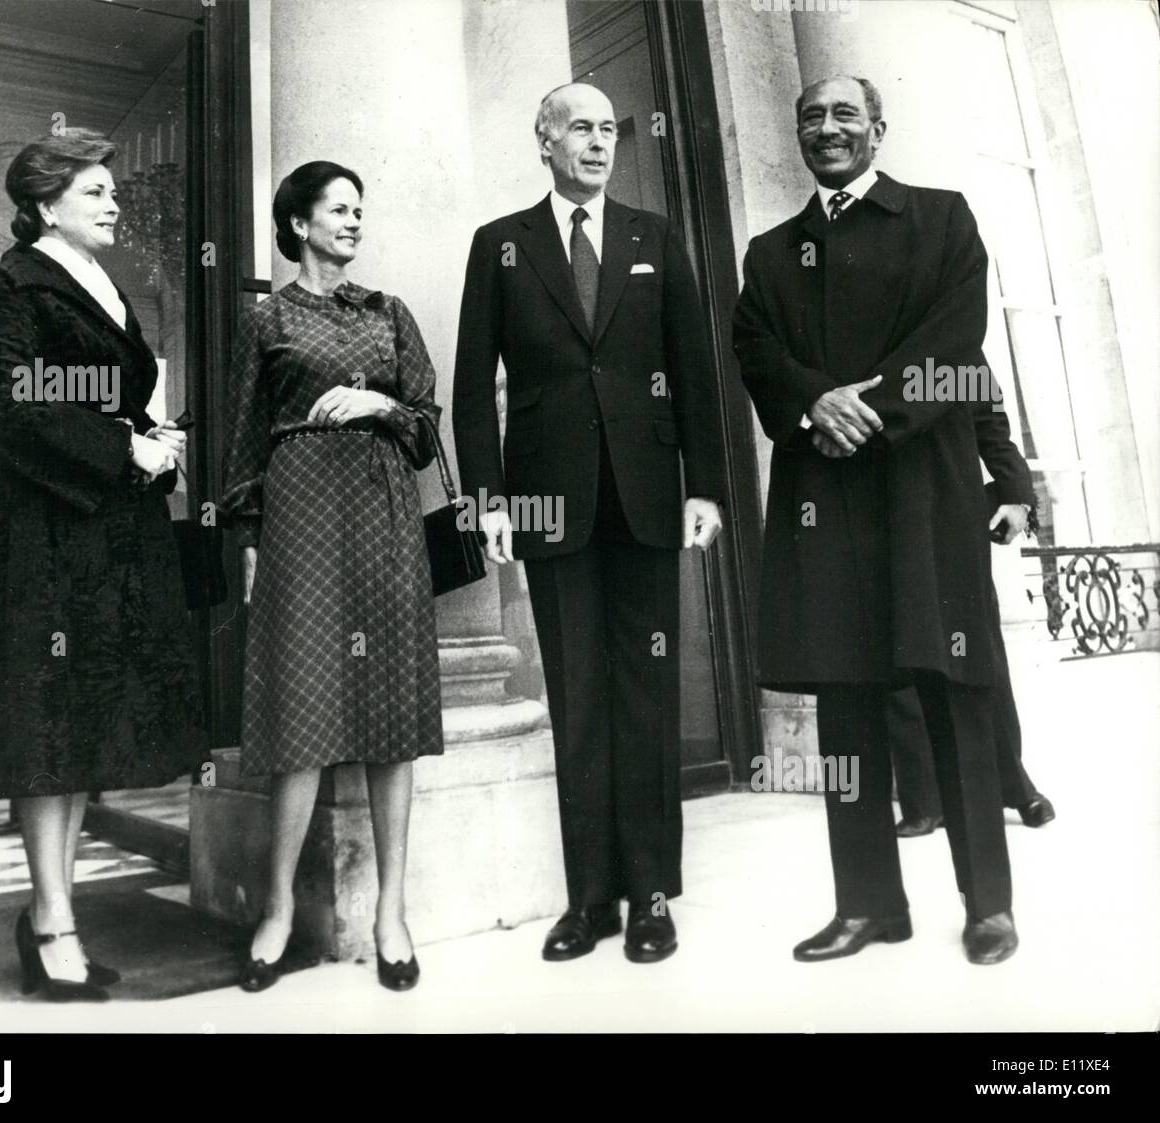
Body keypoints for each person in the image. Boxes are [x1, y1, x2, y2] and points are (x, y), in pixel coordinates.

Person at [732, 75, 1018, 965]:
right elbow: (753, 348)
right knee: (846, 708)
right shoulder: (772, 252)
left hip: (924, 493)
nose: (827, 128)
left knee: (953, 695)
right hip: (827, 504)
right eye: (811, 117)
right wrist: (814, 400)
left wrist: (867, 406)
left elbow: (955, 337)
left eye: (845, 114)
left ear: (879, 130)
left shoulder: (941, 219)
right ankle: (866, 904)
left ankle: (988, 905)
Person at [452, 83, 726, 965]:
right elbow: (469, 388)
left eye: (609, 129)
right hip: (548, 502)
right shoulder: (500, 245)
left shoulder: (655, 235)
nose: (599, 142)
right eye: (581, 128)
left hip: (648, 496)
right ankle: (589, 898)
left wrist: (707, 488)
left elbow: (694, 369)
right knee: (575, 697)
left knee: (644, 695)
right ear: (545, 141)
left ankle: (651, 896)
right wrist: (487, 500)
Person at [0, 128, 208, 1001]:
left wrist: (148, 438)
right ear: (45, 205)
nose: (113, 203)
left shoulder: (101, 284)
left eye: (111, 189)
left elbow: (104, 394)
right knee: (47, 728)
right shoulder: (10, 292)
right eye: (97, 190)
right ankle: (54, 919)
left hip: (108, 531)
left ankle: (48, 916)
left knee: (79, 729)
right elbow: (18, 403)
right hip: (46, 529)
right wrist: (121, 449)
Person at [221, 161, 444, 994]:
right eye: (338, 210)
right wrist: (243, 534)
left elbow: (426, 426)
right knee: (302, 707)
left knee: (391, 707)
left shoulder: (390, 313)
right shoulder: (267, 316)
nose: (354, 221)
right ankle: (276, 910)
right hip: (300, 519)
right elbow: (243, 435)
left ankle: (392, 912)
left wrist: (378, 405)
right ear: (298, 223)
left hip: (384, 515)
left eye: (361, 209)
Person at [892, 399, 1055, 837]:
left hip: (953, 503)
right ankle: (924, 798)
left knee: (977, 647)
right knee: (901, 649)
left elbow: (989, 417)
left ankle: (1013, 785)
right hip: (883, 506)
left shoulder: (953, 334)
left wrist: (1016, 493)